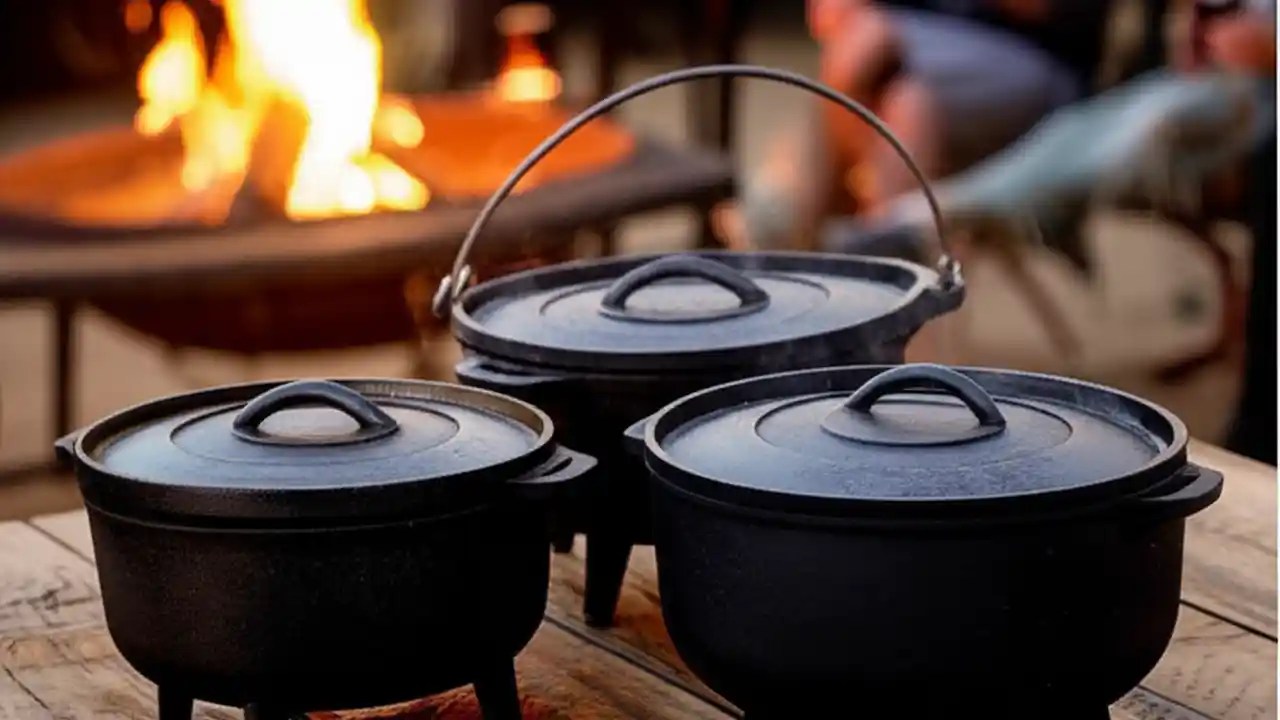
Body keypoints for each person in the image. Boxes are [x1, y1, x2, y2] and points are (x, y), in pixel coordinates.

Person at [717, 0, 1114, 250]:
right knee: (894, 87)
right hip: (897, 70)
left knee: (876, 61)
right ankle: (880, 251)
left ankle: (799, 226)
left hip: (1029, 60)